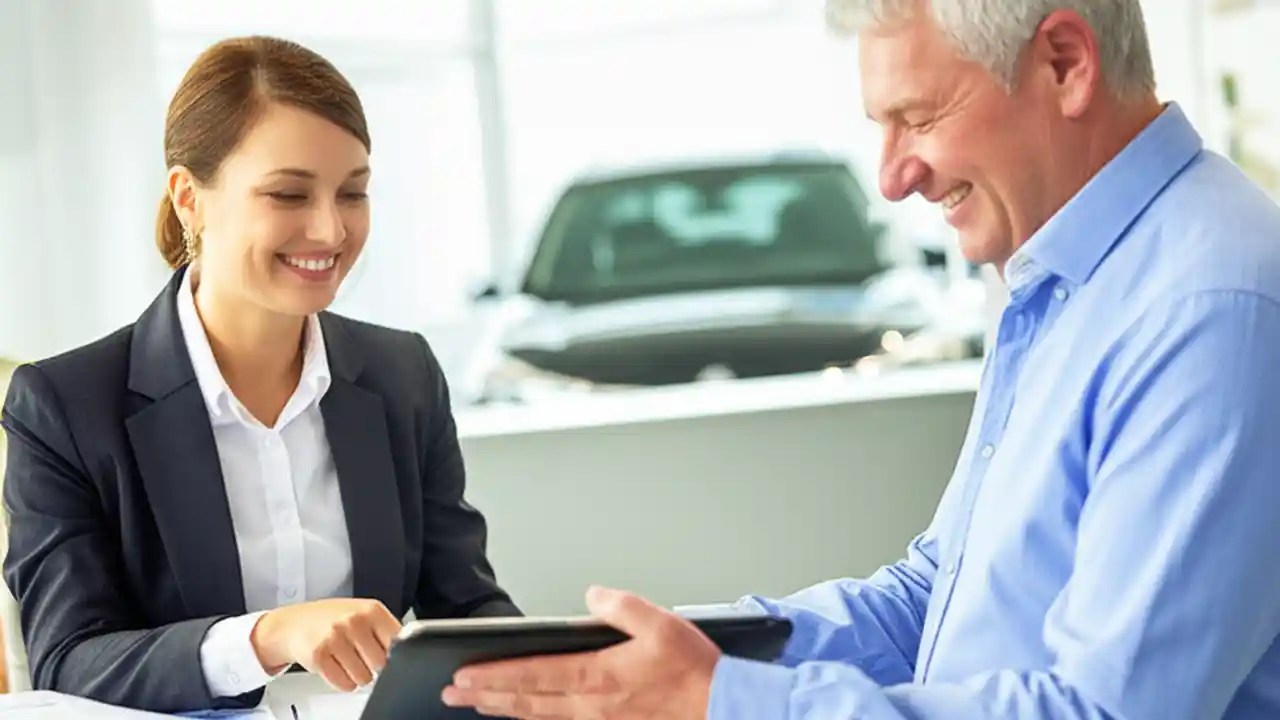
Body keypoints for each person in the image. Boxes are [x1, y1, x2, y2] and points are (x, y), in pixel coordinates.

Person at [440, 1, 1280, 718]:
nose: (891, 176)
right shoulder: (1062, 285)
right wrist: (697, 652)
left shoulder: (1210, 308)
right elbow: (933, 596)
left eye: (917, 117)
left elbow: (1104, 711)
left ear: (1065, 64)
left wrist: (721, 700)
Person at [1, 36, 519, 714]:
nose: (331, 230)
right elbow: (70, 662)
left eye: (353, 193)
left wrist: (563, 664)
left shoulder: (403, 376)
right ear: (190, 199)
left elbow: (465, 602)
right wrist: (267, 638)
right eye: (288, 194)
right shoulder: (66, 407)